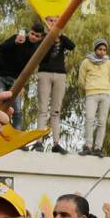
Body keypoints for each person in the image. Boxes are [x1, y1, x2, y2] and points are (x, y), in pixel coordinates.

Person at [0, 23, 45, 131]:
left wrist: (21, 85)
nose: (33, 37)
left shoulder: (36, 50)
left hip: (16, 80)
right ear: (29, 32)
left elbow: (28, 70)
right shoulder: (17, 38)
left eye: (37, 36)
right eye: (32, 34)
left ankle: (17, 134)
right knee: (2, 106)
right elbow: (0, 48)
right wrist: (15, 42)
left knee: (17, 110)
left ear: (41, 38)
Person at [33, 17, 76, 153]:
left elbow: (72, 46)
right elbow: (38, 51)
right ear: (46, 22)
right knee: (43, 109)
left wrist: (59, 34)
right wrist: (50, 36)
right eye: (50, 20)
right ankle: (39, 141)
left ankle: (56, 143)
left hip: (60, 75)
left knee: (56, 111)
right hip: (44, 73)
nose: (53, 23)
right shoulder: (43, 38)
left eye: (56, 20)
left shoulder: (62, 39)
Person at [78, 37, 110, 156]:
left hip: (105, 94)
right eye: (100, 49)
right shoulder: (86, 62)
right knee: (89, 119)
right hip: (91, 94)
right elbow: (81, 80)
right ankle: (88, 146)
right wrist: (90, 87)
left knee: (102, 121)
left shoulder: (109, 63)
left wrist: (105, 88)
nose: (102, 52)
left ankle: (98, 147)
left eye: (104, 50)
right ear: (95, 49)